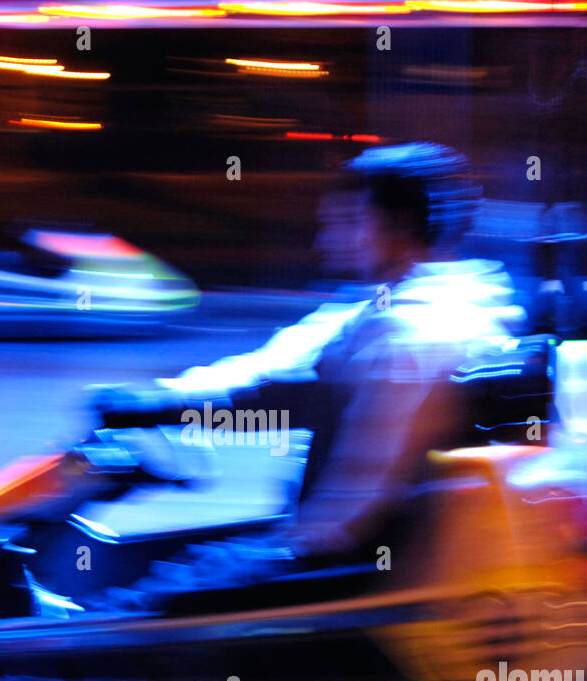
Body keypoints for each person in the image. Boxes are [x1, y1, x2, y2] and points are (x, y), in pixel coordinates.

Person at [91, 141, 525, 606]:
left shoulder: (417, 333)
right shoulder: (392, 306)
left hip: (345, 574)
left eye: (345, 222)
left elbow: (358, 499)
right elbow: (271, 381)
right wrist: (154, 403)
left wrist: (267, 556)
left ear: (393, 226)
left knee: (131, 608)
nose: (326, 241)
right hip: (332, 549)